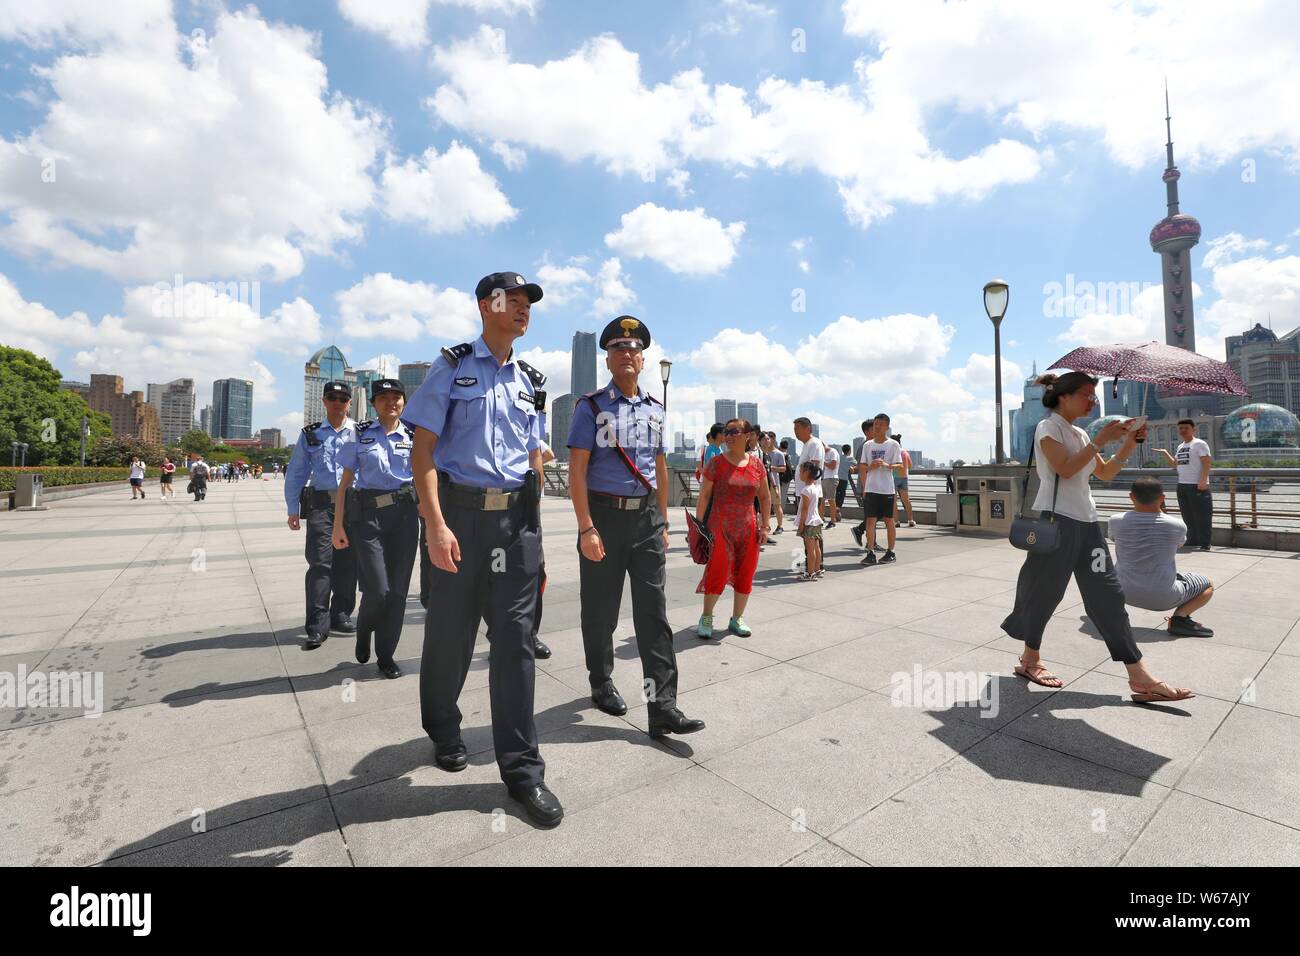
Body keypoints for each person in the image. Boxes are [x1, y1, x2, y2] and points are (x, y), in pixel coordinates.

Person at [406, 270, 560, 828]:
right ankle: (444, 727)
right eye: (512, 300)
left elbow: (534, 450)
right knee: (450, 635)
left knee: (516, 642)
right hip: (460, 521)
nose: (523, 309)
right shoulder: (450, 367)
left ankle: (523, 772)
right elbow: (421, 452)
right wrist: (435, 524)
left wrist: (534, 511)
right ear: (485, 305)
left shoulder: (532, 380)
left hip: (514, 526)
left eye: (527, 303)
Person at [1000, 372, 1194, 704]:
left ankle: (1140, 676)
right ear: (1064, 397)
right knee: (1044, 594)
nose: (1093, 400)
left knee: (1108, 595)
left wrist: (1128, 443)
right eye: (1087, 395)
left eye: (1094, 395)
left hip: (1088, 524)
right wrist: (1101, 438)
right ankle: (1030, 659)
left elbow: (1103, 473)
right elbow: (1064, 468)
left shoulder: (1078, 431)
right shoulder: (1049, 428)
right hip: (1058, 521)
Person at [568, 315, 705, 742]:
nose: (627, 355)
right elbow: (577, 470)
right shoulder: (590, 407)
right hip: (604, 519)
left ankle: (662, 706)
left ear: (643, 360)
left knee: (653, 613)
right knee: (601, 611)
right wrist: (586, 527)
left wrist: (662, 519)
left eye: (633, 350)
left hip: (646, 520)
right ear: (607, 359)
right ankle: (600, 680)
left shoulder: (656, 410)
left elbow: (661, 470)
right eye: (618, 349)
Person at [332, 379, 417, 680]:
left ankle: (386, 656)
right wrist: (337, 526)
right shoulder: (359, 434)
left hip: (405, 517)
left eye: (396, 397)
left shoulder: (416, 436)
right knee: (377, 589)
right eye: (383, 397)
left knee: (397, 593)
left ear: (404, 402)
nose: (390, 402)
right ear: (373, 403)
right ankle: (364, 630)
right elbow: (344, 485)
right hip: (368, 517)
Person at [284, 380, 358, 650]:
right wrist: (293, 508)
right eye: (332, 397)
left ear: (350, 402)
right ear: (324, 401)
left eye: (343, 398)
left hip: (352, 505)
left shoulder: (361, 432)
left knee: (349, 563)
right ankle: (317, 624)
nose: (338, 402)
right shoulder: (311, 434)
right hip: (322, 506)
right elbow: (297, 472)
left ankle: (341, 614)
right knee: (320, 563)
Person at [1108, 476, 1215, 636]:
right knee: (1208, 585)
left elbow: (1113, 538)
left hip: (1122, 593)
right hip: (1164, 599)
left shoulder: (1115, 521)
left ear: (1131, 497)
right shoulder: (1177, 525)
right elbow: (1179, 544)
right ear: (1162, 498)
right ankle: (1179, 619)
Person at [695, 417, 769, 638]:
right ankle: (707, 616)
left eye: (734, 431)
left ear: (748, 436)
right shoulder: (716, 462)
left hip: (748, 527)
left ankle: (737, 618)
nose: (728, 436)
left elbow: (765, 497)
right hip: (720, 526)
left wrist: (765, 526)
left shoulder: (757, 464)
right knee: (718, 569)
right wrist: (699, 529)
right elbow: (704, 496)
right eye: (726, 432)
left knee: (746, 572)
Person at [1158, 419, 1213, 551]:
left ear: (1193, 429)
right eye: (1180, 428)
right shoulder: (1180, 446)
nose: (1182, 430)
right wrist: (1165, 453)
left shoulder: (1199, 444)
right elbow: (1175, 464)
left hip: (1197, 485)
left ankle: (1205, 543)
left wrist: (1203, 481)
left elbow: (1206, 463)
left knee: (1202, 516)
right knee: (1187, 515)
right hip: (1182, 485)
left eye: (1186, 428)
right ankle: (1192, 540)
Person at [857, 414, 903, 565]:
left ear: (887, 427)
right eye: (875, 424)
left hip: (887, 489)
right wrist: (871, 467)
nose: (877, 427)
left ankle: (891, 551)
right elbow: (862, 466)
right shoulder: (867, 445)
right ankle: (870, 552)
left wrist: (887, 465)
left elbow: (900, 467)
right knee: (871, 520)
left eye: (880, 425)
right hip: (871, 488)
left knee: (889, 520)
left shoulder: (893, 445)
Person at [796, 461, 824, 580]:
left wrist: (801, 524)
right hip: (816, 520)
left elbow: (804, 509)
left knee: (810, 549)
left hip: (808, 522)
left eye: (800, 471)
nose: (799, 474)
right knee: (817, 547)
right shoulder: (815, 488)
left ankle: (810, 572)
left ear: (806, 472)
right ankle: (817, 569)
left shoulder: (806, 490)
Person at [792, 417, 824, 505]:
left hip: (809, 494)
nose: (795, 432)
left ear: (808, 429)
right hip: (804, 491)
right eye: (794, 429)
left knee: (807, 518)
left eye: (798, 428)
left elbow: (814, 468)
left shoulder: (814, 444)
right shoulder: (807, 444)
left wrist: (808, 491)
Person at [761, 432, 785, 534]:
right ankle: (767, 527)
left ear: (773, 440)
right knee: (764, 506)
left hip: (774, 482)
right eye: (765, 439)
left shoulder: (779, 453)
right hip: (764, 482)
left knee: (777, 505)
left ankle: (780, 526)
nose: (767, 441)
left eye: (769, 439)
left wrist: (771, 468)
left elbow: (783, 468)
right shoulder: (762, 453)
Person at [892, 435, 916, 526]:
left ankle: (896, 521)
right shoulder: (905, 452)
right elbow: (910, 465)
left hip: (893, 477)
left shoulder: (892, 452)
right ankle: (911, 520)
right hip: (904, 477)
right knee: (906, 500)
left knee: (893, 501)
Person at [821, 442, 840, 527]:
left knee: (831, 500)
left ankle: (833, 521)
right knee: (821, 500)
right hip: (824, 478)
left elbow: (833, 466)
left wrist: (823, 462)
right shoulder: (823, 453)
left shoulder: (833, 452)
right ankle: (820, 519)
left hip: (832, 478)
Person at [777, 438, 794, 519]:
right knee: (783, 495)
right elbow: (790, 466)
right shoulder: (788, 455)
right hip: (787, 478)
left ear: (780, 446)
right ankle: (781, 511)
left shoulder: (779, 454)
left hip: (779, 477)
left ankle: (777, 510)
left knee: (778, 495)